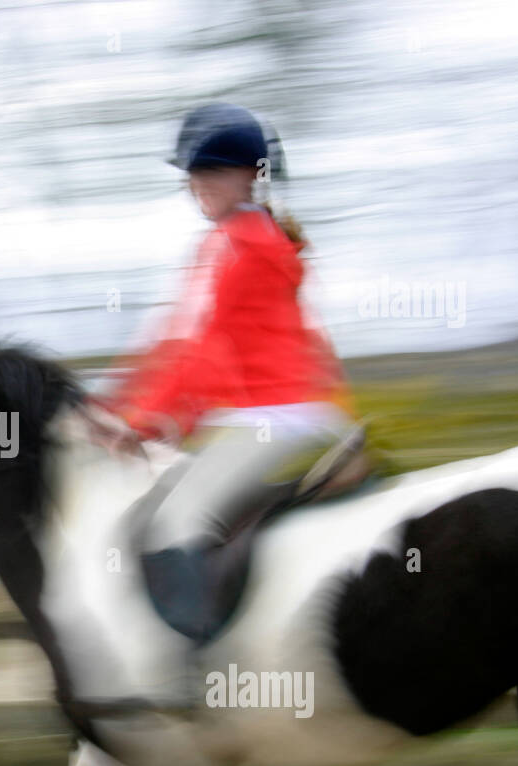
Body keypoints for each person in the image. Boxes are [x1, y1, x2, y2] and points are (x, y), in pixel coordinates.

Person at [98, 103, 356, 641]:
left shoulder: (237, 244)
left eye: (213, 171)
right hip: (284, 413)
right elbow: (171, 341)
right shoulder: (250, 238)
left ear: (251, 176)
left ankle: (202, 678)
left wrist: (144, 423)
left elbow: (200, 352)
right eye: (194, 173)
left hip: (274, 417)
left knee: (172, 526)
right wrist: (112, 408)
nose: (199, 185)